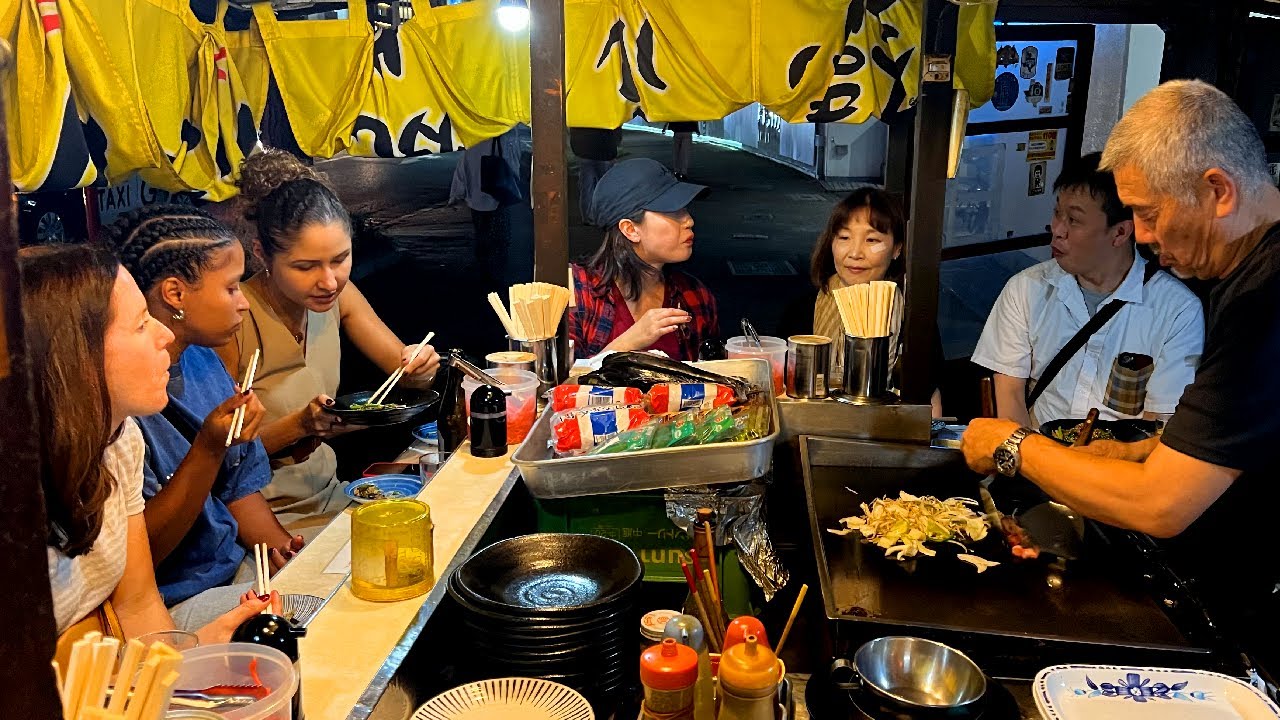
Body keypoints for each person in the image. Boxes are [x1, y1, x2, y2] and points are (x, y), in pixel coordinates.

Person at [961, 80, 1280, 669]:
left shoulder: (1263, 298)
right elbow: (1230, 438)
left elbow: (1161, 504)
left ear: (1218, 191)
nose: (1144, 235)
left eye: (1149, 214)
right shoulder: (1245, 283)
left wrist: (1014, 447)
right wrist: (1131, 454)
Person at [27, 245, 274, 646]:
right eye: (142, 324)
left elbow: (138, 606)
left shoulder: (120, 440)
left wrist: (194, 657)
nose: (165, 334)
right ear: (75, 355)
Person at [101, 205, 305, 630]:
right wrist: (208, 448)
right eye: (231, 287)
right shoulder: (122, 397)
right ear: (175, 295)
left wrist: (282, 550)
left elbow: (236, 485)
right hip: (174, 598)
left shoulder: (202, 360)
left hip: (237, 569)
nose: (244, 303)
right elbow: (146, 552)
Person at [221, 149, 441, 536]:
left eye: (340, 259)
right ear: (262, 255)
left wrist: (420, 364)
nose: (328, 281)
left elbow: (405, 378)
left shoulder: (340, 296)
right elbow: (221, 458)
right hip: (264, 525)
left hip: (336, 496)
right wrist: (300, 425)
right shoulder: (233, 316)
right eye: (305, 267)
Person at [971, 153, 1204, 427]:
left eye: (1074, 220)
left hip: (1119, 466)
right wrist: (1025, 456)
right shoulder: (1026, 289)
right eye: (1057, 213)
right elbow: (1009, 398)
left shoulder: (1177, 310)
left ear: (1120, 233)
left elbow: (1158, 424)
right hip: (1033, 455)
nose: (1057, 230)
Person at [777, 187, 943, 416]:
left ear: (896, 248)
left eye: (872, 239)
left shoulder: (913, 317)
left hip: (887, 436)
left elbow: (930, 399)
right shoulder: (802, 310)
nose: (855, 252)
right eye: (844, 237)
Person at [569, 157, 718, 361]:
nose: (689, 221)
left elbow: (713, 381)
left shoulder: (695, 295)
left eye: (685, 209)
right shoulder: (577, 291)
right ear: (630, 230)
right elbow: (558, 387)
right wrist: (628, 343)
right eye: (673, 211)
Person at [570, 127, 622, 222]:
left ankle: (588, 216)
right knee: (606, 186)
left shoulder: (581, 113)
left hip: (584, 150)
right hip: (605, 149)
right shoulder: (606, 113)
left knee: (587, 186)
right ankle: (605, 215)